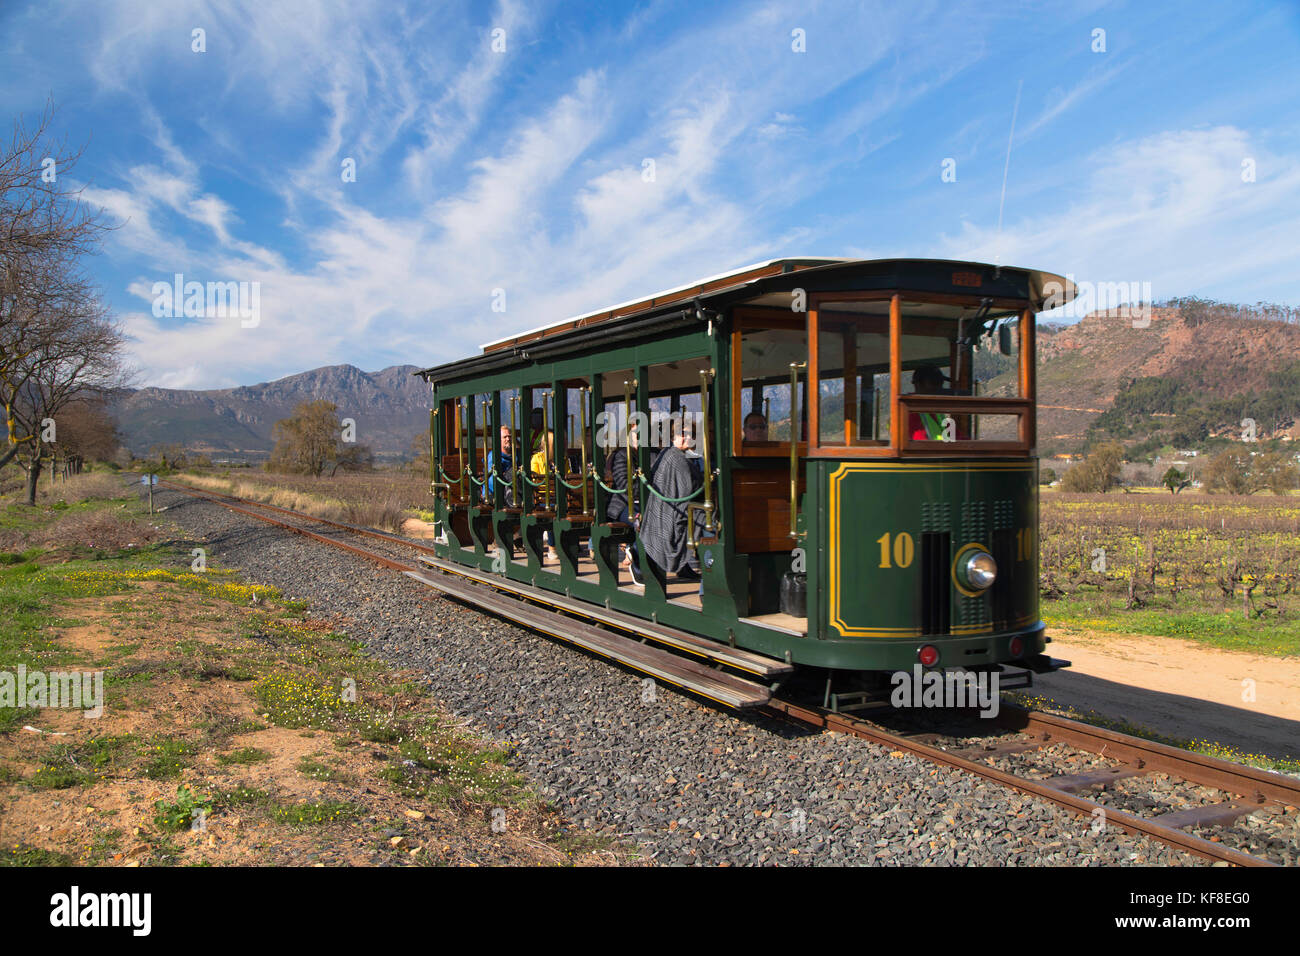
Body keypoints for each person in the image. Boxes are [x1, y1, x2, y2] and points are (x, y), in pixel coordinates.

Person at [641, 419, 706, 581]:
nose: (688, 437)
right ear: (673, 436)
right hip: (674, 516)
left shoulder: (672, 454)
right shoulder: (677, 459)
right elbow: (687, 493)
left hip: (671, 511)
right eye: (683, 433)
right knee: (710, 521)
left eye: (691, 434)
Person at [604, 421, 643, 585]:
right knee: (641, 521)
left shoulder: (648, 455)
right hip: (622, 506)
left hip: (643, 504)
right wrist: (647, 488)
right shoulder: (621, 456)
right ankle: (638, 567)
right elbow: (624, 485)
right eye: (636, 435)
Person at [907, 365, 968, 441]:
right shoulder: (909, 412)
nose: (939, 387)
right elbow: (919, 443)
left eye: (940, 383)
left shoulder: (936, 412)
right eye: (934, 382)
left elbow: (955, 436)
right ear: (918, 385)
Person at [485, 425, 515, 506]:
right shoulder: (493, 457)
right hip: (495, 496)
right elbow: (492, 482)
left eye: (509, 436)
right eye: (505, 437)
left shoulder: (515, 455)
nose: (508, 439)